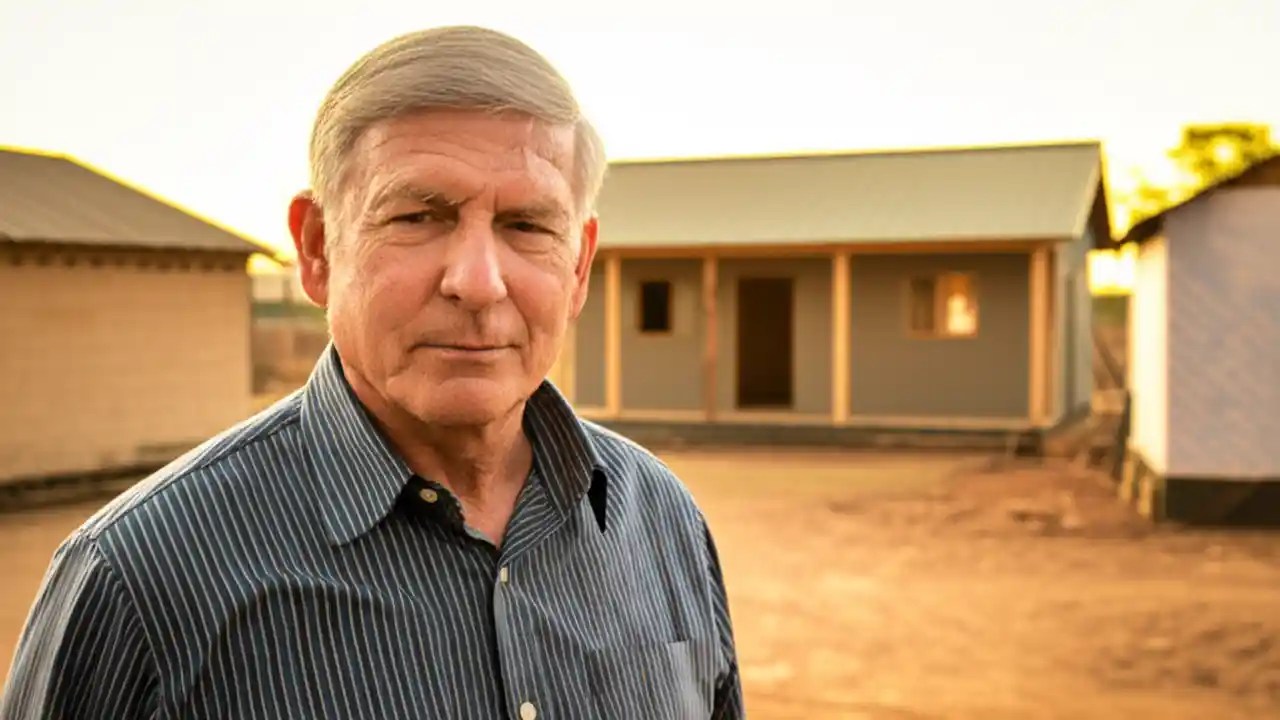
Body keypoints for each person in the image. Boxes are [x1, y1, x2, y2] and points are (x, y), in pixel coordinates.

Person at [1, 26, 743, 719]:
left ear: (578, 264)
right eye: (418, 217)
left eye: (527, 226)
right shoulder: (141, 577)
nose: (479, 282)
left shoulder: (660, 521)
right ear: (318, 248)